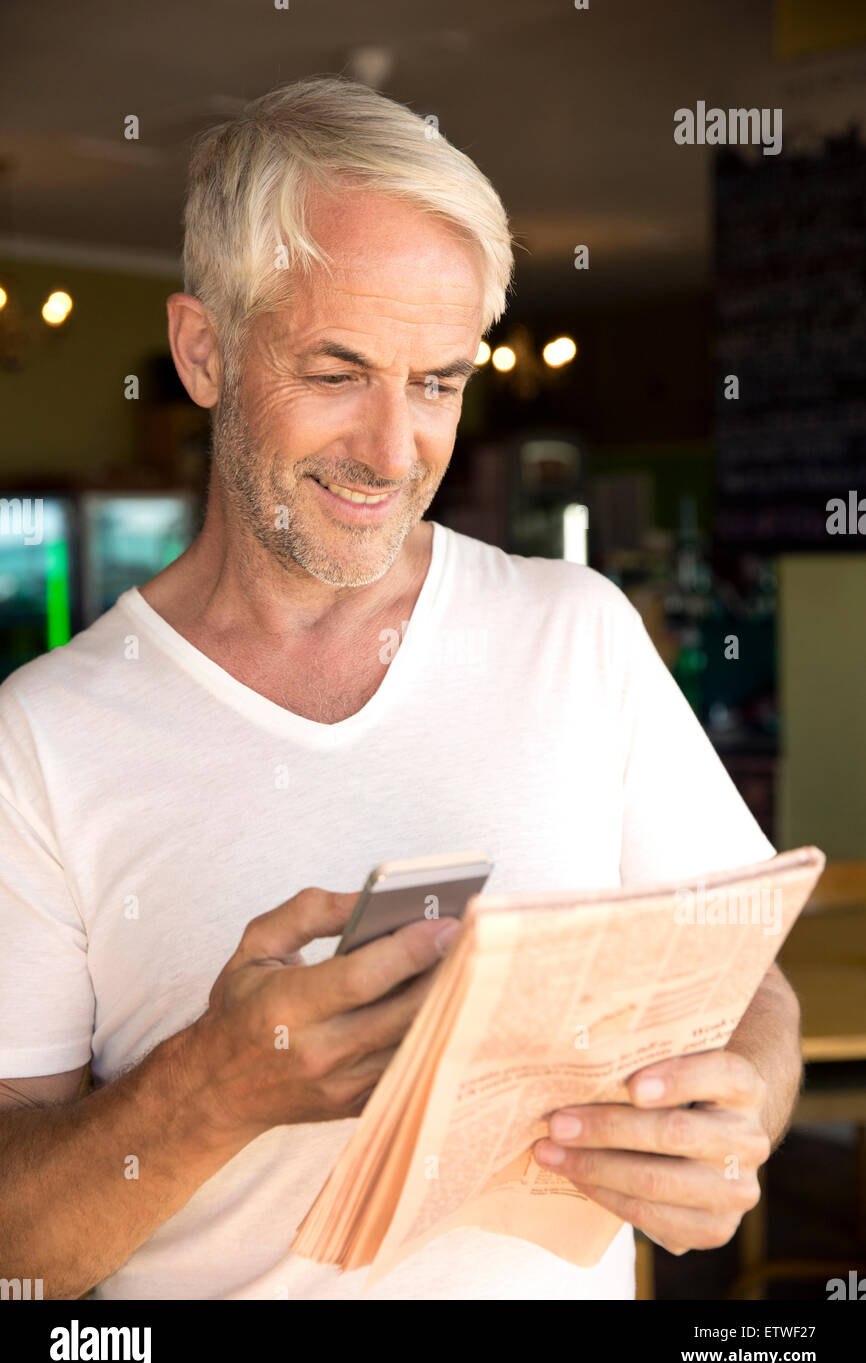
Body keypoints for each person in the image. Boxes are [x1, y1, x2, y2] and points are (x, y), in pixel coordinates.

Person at [0, 76, 799, 1301]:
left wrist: (734, 1112)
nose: (393, 450)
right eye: (336, 372)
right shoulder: (42, 739)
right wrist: (207, 1090)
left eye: (435, 382)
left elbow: (750, 983)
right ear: (202, 350)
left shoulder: (574, 631)